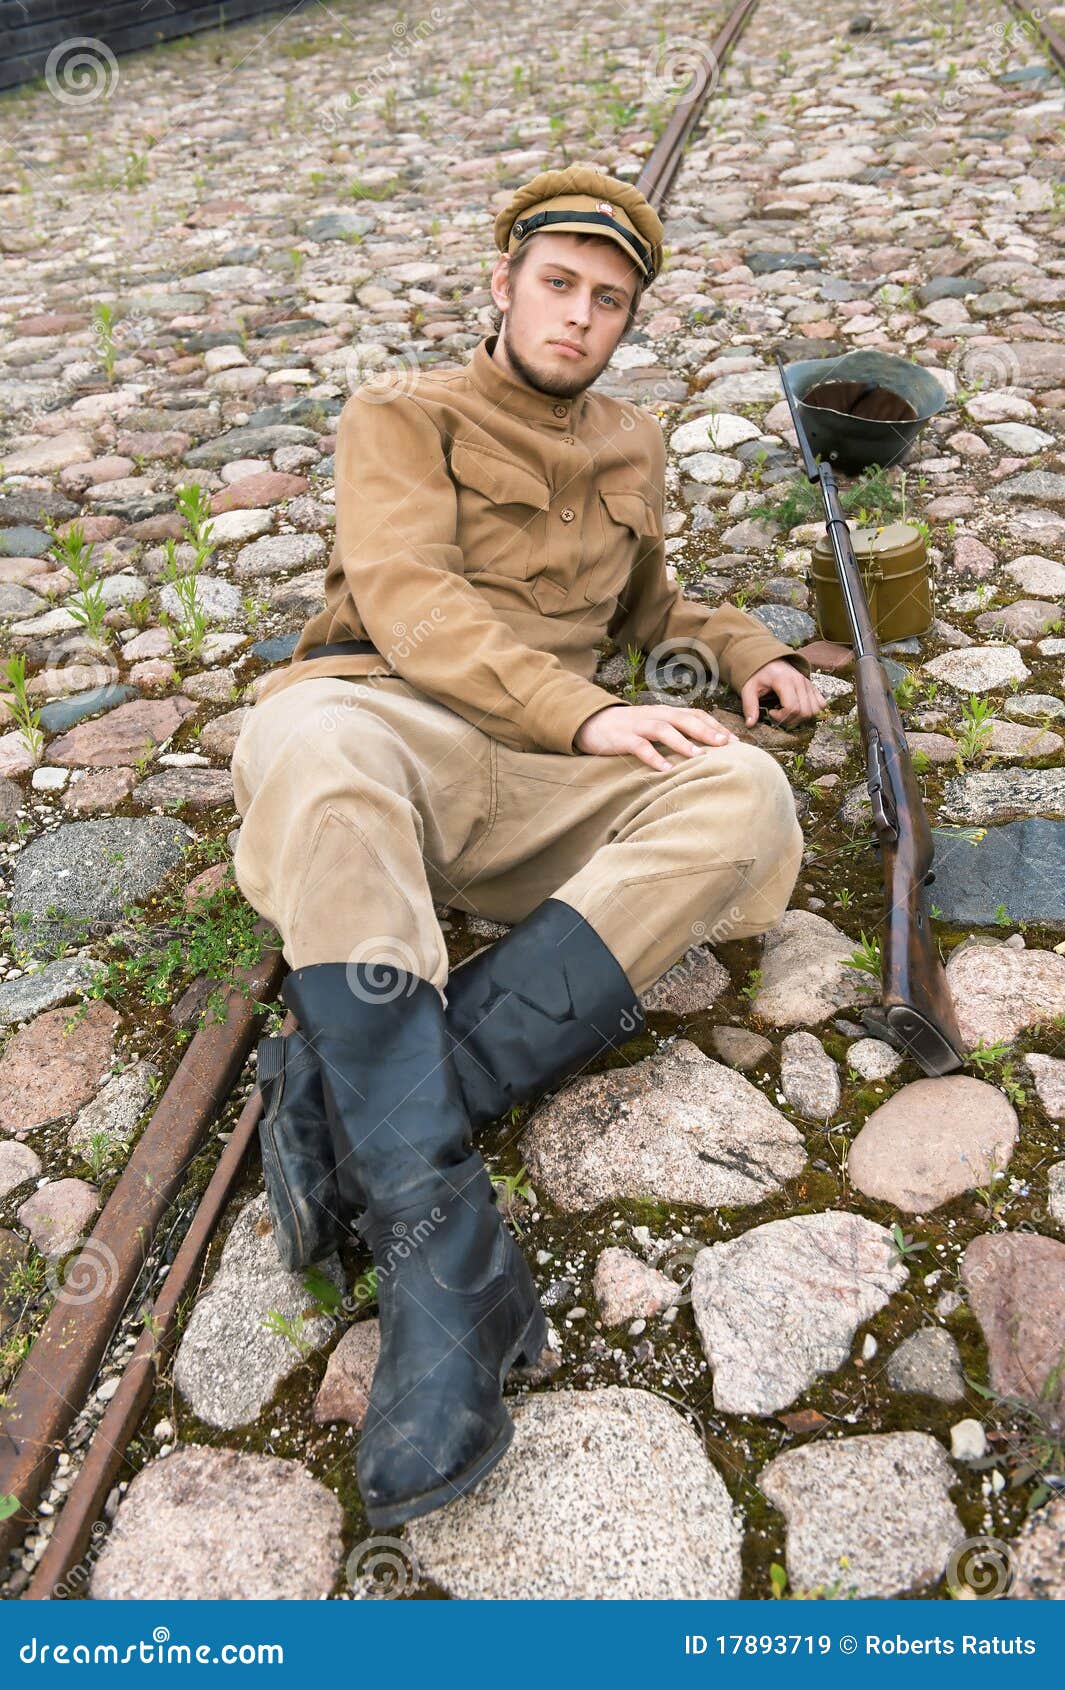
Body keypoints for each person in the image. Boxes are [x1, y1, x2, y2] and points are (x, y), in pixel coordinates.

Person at [231, 165, 827, 1530]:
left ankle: (341, 1110)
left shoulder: (627, 442)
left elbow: (649, 601)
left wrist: (749, 654)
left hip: (544, 775)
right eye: (556, 285)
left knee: (743, 800)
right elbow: (406, 594)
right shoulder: (404, 414)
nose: (577, 318)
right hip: (397, 737)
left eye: (606, 302)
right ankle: (445, 1254)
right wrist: (594, 710)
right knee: (312, 749)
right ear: (501, 283)